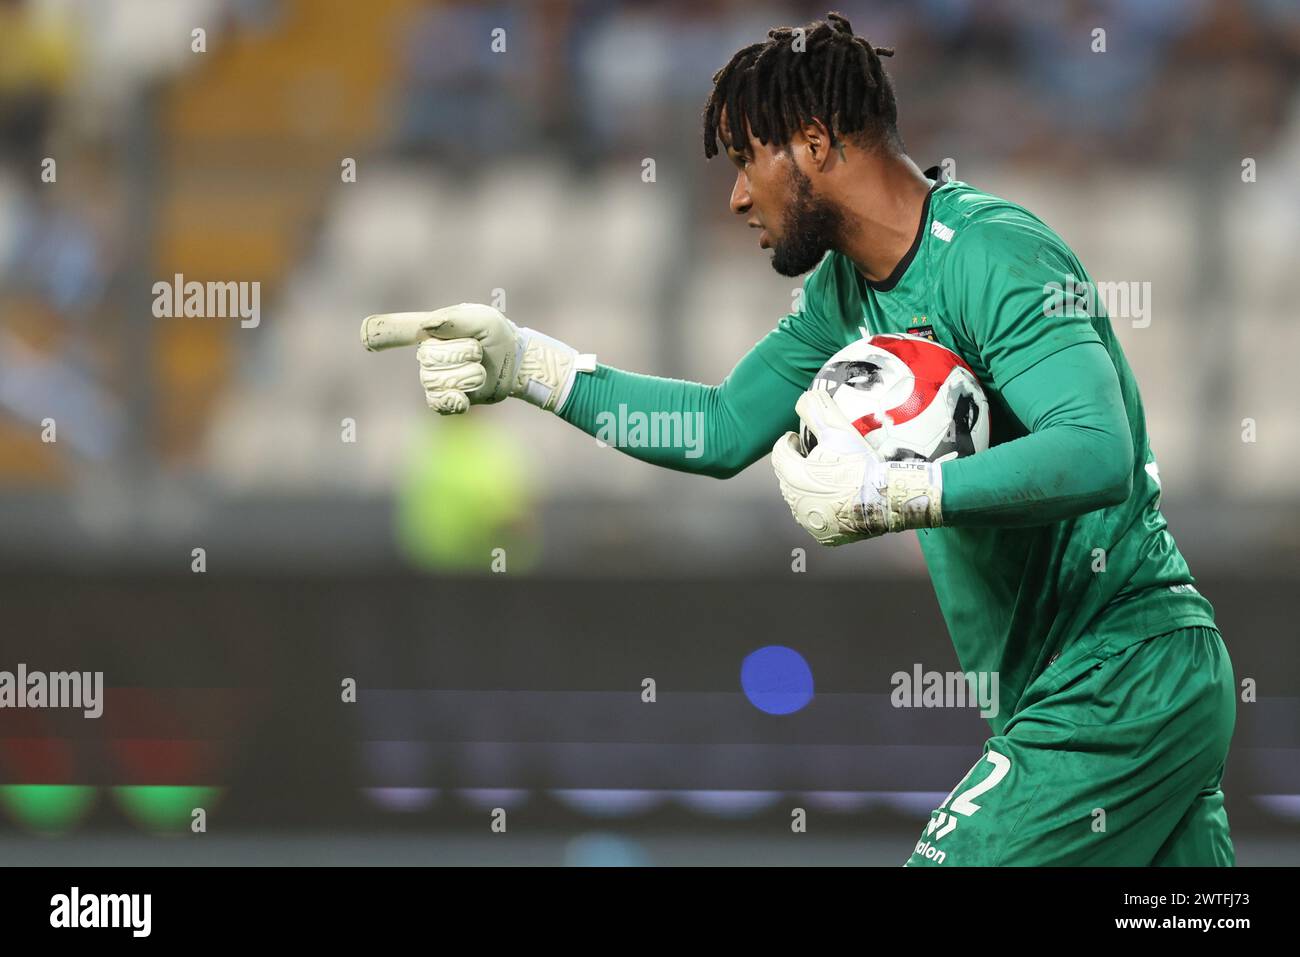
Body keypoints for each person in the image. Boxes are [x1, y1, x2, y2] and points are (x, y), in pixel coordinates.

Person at [361, 12, 1234, 866]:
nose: (738, 194)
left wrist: (904, 494)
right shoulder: (844, 297)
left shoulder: (995, 256)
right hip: (1069, 689)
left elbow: (1095, 450)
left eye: (748, 159)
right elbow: (720, 429)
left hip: (1121, 668)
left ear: (814, 143)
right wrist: (532, 367)